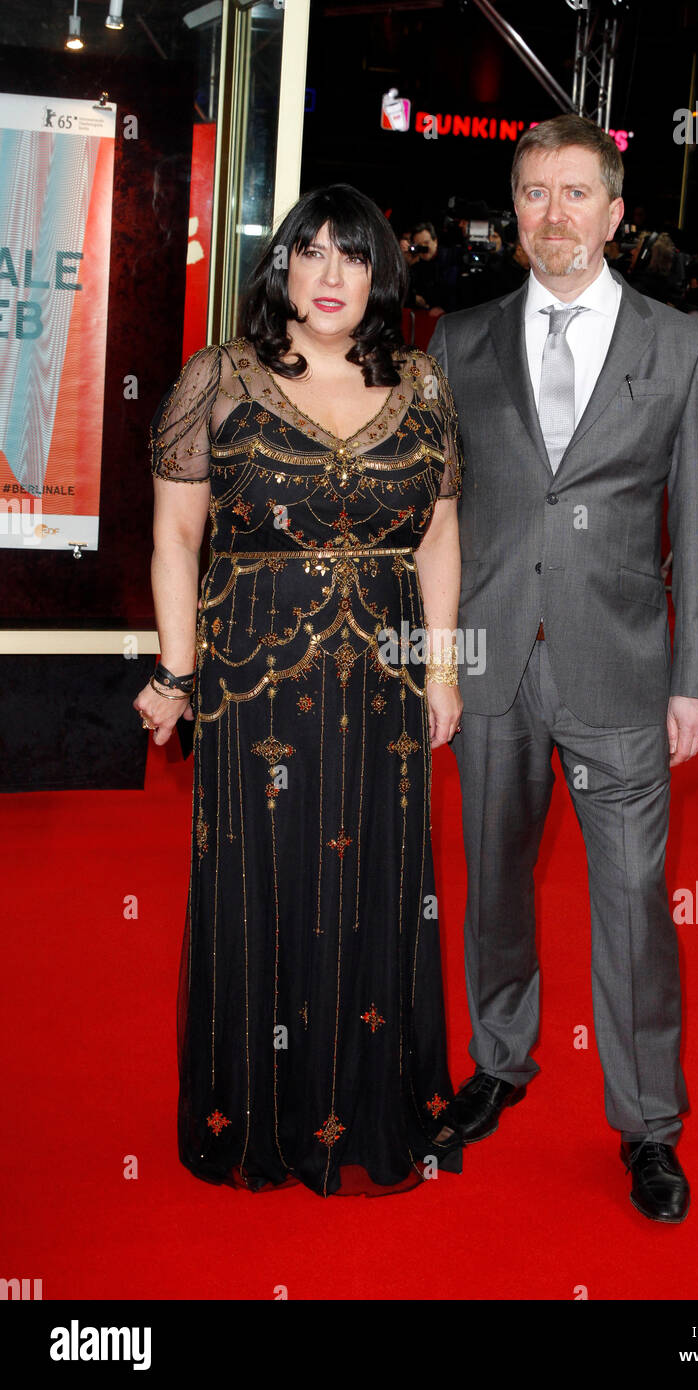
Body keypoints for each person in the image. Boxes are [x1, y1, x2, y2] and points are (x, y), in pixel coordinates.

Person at [428, 113, 698, 1223]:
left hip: (620, 674)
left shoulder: (683, 346)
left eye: (573, 193)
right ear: (514, 214)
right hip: (491, 661)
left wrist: (697, 676)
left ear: (615, 211)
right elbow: (437, 519)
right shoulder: (454, 343)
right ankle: (500, 1059)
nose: (551, 215)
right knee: (494, 886)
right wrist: (434, 660)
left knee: (634, 906)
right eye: (531, 194)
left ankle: (650, 1121)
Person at [133, 183, 465, 1197]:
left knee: (376, 890)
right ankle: (259, 1115)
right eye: (311, 252)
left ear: (381, 275)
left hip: (383, 679)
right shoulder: (217, 379)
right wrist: (176, 674)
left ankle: (371, 1108)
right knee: (262, 885)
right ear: (280, 267)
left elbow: (443, 534)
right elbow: (177, 538)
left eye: (353, 256)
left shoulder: (421, 383)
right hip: (254, 681)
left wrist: (444, 666)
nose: (331, 275)